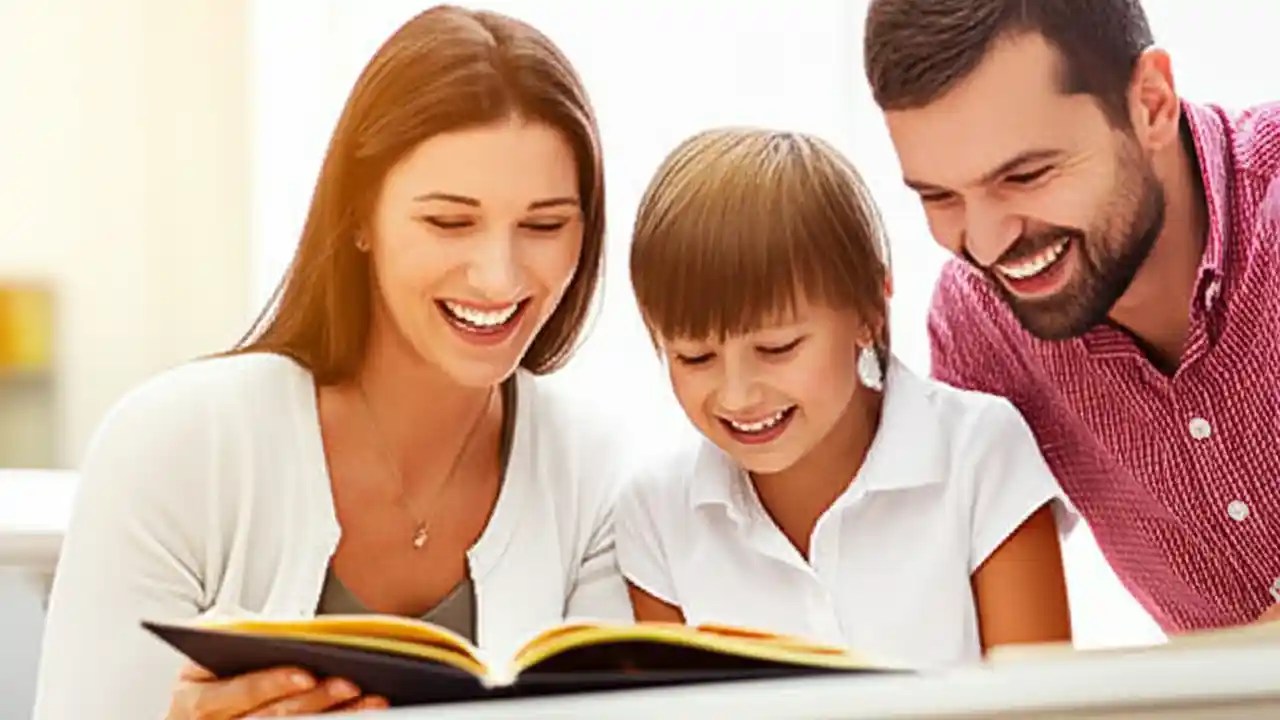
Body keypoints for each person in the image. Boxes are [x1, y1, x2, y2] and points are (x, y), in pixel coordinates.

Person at [33, 6, 634, 718]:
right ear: (358, 218)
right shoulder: (172, 448)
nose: (499, 278)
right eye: (449, 222)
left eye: (544, 225)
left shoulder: (595, 476)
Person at [862, 0, 1280, 633]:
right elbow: (944, 587)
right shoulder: (980, 324)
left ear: (1151, 103)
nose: (986, 241)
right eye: (940, 196)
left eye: (1025, 175)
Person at [614, 127, 1074, 670]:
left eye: (777, 347)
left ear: (868, 311)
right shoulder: (655, 511)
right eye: (694, 357)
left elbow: (1046, 702)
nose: (737, 394)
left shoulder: (978, 453)